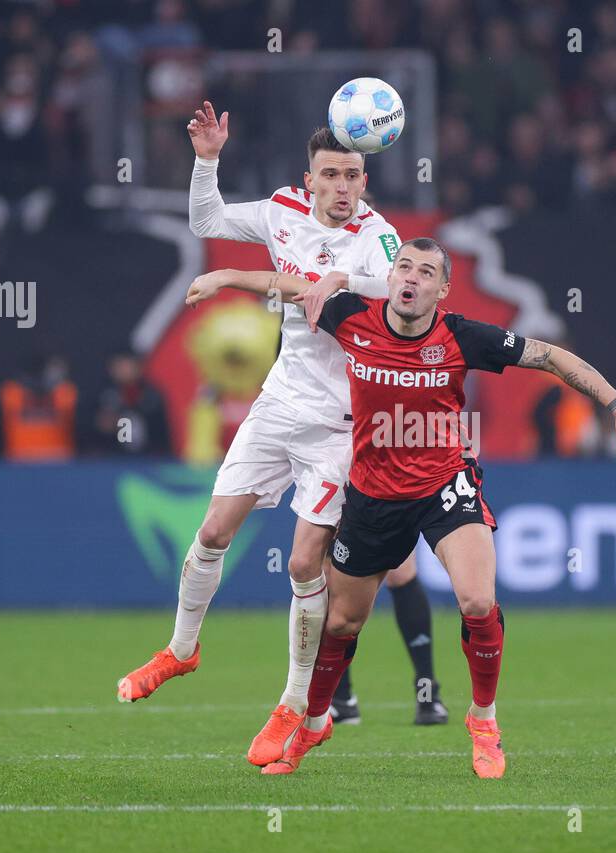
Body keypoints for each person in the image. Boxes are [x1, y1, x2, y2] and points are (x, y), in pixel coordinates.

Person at [185, 238, 616, 778]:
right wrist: (224, 277)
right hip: (373, 495)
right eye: (404, 266)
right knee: (343, 622)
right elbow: (285, 286)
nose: (412, 277)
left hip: (443, 486)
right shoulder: (351, 315)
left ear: (441, 290)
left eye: (426, 272)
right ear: (390, 277)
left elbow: (548, 356)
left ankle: (484, 722)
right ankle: (312, 724)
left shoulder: (462, 336)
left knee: (477, 601)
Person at [117, 101, 446, 771]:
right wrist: (207, 159)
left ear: (365, 181)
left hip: (339, 424)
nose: (344, 187)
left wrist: (302, 279)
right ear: (311, 179)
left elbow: (385, 286)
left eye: (354, 175)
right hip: (277, 404)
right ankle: (182, 651)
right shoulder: (280, 212)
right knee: (211, 533)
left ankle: (296, 706)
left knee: (303, 565)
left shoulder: (379, 239)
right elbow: (207, 221)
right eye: (331, 174)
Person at [88, 352, 171, 457]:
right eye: (119, 366)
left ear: (138, 367)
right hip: (110, 458)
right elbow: (89, 429)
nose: (123, 370)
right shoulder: (103, 393)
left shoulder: (152, 394)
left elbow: (162, 432)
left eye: (127, 365)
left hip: (148, 458)